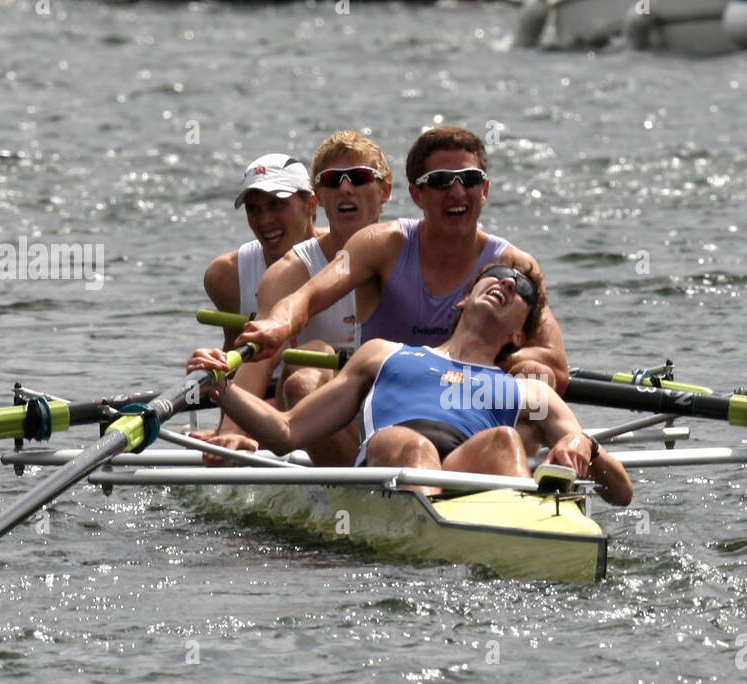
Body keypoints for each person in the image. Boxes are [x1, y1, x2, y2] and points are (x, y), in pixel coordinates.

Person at [188, 264, 632, 506]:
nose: (506, 283)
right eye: (494, 275)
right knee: (410, 442)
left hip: (465, 469)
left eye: (521, 290)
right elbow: (287, 433)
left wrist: (585, 448)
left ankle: (525, 526)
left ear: (518, 336)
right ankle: (444, 529)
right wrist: (223, 390)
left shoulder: (529, 392)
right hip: (387, 471)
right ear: (464, 299)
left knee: (503, 439)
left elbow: (621, 494)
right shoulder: (384, 354)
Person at [234, 125, 570, 394]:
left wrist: (472, 359)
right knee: (302, 381)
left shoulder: (513, 265)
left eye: (468, 180)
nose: (456, 193)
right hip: (385, 402)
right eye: (439, 182)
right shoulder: (382, 244)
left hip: (467, 399)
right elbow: (305, 298)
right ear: (416, 194)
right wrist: (279, 325)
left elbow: (555, 367)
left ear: (484, 190)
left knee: (536, 374)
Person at [202, 132, 392, 465]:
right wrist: (232, 428)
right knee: (310, 363)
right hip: (314, 401)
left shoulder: (413, 248)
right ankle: (364, 489)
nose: (265, 220)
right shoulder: (284, 272)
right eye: (333, 182)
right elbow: (256, 356)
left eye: (360, 178)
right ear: (321, 196)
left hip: (391, 397)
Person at [202, 153, 319, 350]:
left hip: (330, 376)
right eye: (253, 209)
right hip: (258, 378)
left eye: (276, 204)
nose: (265, 221)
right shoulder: (226, 275)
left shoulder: (347, 258)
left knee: (301, 382)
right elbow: (233, 357)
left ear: (311, 205)